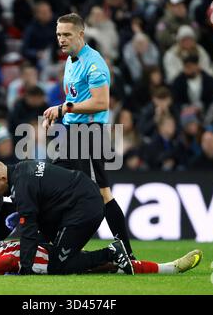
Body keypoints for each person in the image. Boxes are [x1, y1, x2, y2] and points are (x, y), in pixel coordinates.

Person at [42, 13, 135, 259]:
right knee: (56, 187)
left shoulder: (94, 63)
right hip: (71, 134)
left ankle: (125, 251)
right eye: (59, 35)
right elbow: (76, 99)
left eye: (66, 35)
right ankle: (56, 245)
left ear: (80, 35)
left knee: (102, 194)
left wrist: (63, 109)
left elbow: (101, 102)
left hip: (90, 136)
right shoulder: (72, 61)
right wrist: (59, 115)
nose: (61, 39)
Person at [0, 160, 134, 275]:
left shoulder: (21, 186)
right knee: (46, 247)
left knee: (58, 265)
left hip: (83, 208)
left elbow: (29, 229)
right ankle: (81, 257)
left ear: (2, 179)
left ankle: (111, 252)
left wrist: (24, 269)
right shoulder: (22, 169)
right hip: (78, 201)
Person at [0, 239, 202, 276]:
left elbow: (9, 262)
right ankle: (170, 267)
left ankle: (170, 268)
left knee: (109, 264)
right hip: (56, 258)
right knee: (111, 269)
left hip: (58, 260)